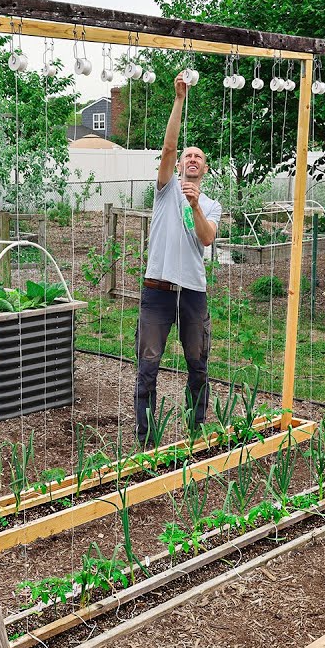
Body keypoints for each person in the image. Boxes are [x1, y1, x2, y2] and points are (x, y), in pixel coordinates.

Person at [134, 71, 222, 446]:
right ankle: (146, 440)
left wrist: (196, 204)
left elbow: (206, 238)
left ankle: (195, 432)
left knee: (198, 366)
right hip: (158, 290)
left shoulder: (211, 203)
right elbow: (168, 148)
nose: (191, 159)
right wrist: (179, 101)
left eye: (198, 157)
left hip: (193, 293)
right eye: (188, 154)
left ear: (205, 168)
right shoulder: (166, 189)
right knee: (148, 366)